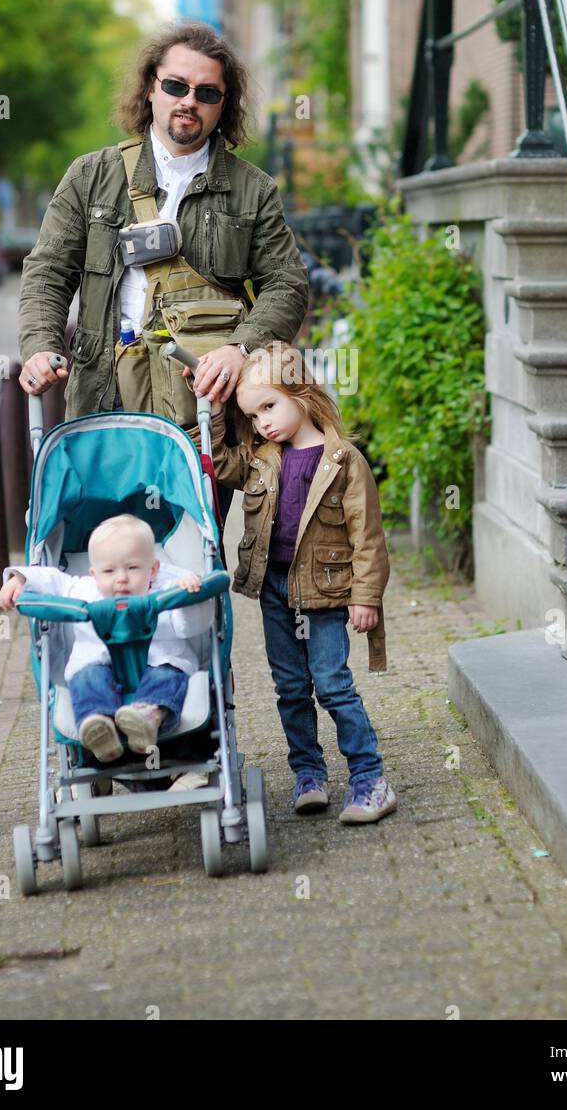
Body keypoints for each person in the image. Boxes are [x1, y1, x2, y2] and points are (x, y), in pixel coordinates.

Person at [17, 20, 309, 526]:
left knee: (193, 552)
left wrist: (238, 350)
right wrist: (41, 344)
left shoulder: (253, 189)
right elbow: (47, 271)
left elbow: (287, 283)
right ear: (151, 87)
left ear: (224, 104)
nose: (188, 101)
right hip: (103, 394)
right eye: (175, 85)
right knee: (106, 551)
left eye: (207, 92)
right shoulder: (90, 176)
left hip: (204, 408)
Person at [190, 342, 397, 825]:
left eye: (269, 406)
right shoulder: (262, 458)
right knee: (289, 687)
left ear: (301, 394)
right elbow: (218, 463)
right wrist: (216, 412)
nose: (262, 422)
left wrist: (365, 597)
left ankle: (370, 778)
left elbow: (367, 538)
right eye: (253, 413)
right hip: (275, 588)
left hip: (326, 593)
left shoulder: (343, 461)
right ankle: (309, 774)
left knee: (333, 684)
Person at [0, 514, 205, 762]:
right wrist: (20, 579)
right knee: (86, 676)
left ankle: (147, 716)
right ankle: (99, 725)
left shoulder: (167, 590)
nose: (121, 578)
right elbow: (53, 580)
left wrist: (191, 594)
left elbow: (189, 626)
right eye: (109, 571)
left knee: (168, 674)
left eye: (133, 568)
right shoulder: (85, 590)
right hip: (99, 665)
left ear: (154, 568)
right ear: (93, 574)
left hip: (159, 663)